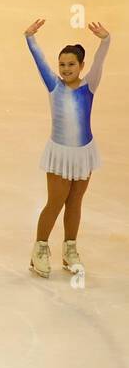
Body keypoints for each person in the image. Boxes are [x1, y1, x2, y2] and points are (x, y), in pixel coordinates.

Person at [23, 19, 111, 278]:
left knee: (75, 202)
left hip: (84, 152)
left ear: (81, 66)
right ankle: (40, 248)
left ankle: (69, 249)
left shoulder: (89, 86)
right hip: (60, 153)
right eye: (62, 64)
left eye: (71, 64)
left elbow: (100, 61)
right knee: (55, 202)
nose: (65, 69)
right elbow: (39, 61)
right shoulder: (53, 86)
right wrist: (30, 38)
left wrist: (105, 40)